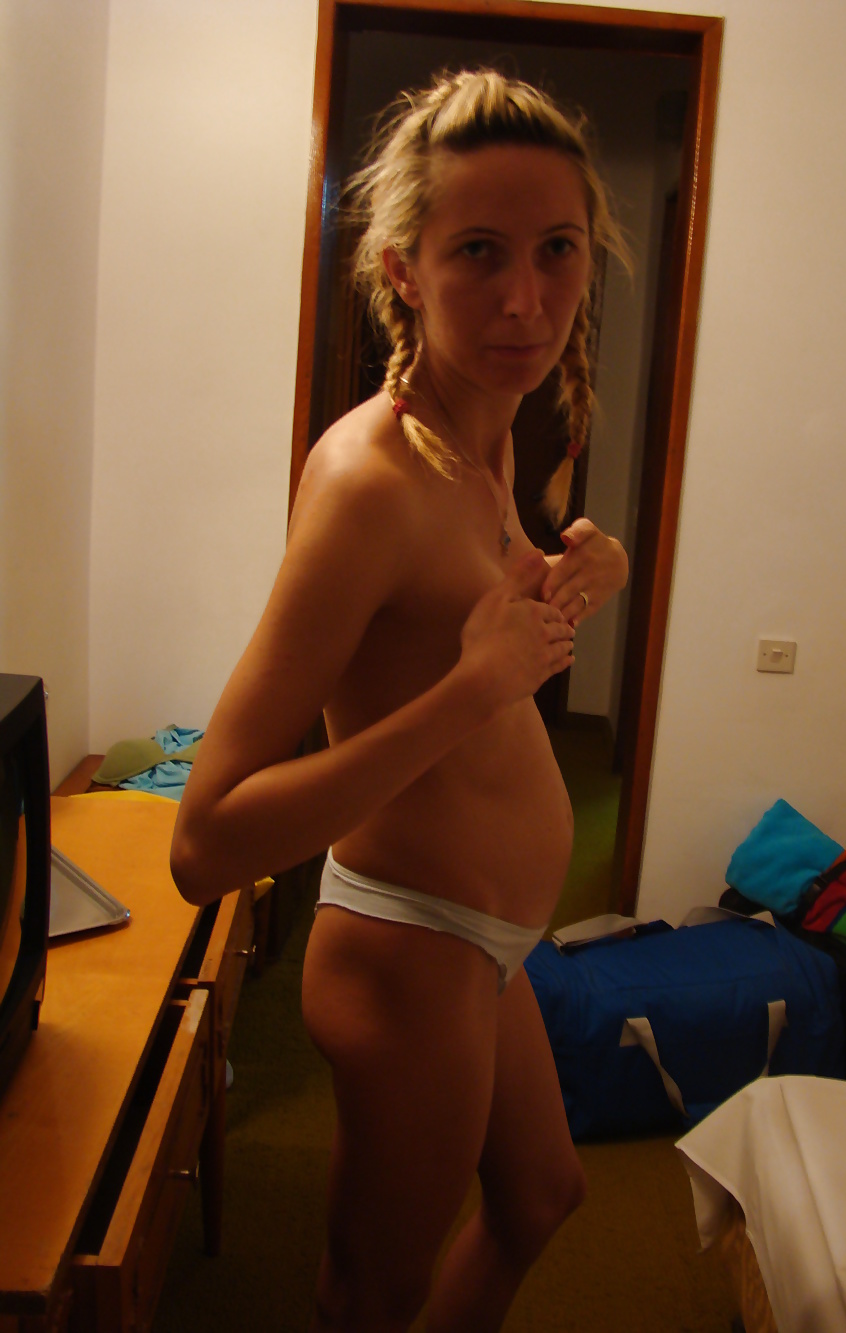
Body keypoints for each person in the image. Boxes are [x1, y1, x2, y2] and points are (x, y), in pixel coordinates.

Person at [171, 68, 630, 1333]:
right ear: (402, 272)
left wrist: (583, 572)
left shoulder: (486, 433)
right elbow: (206, 842)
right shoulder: (367, 481)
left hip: (490, 940)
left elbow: (457, 636)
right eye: (477, 252)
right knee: (370, 1295)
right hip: (409, 947)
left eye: (557, 249)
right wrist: (474, 689)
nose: (526, 298)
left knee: (538, 1198)